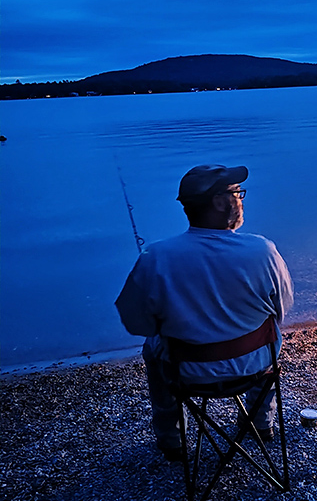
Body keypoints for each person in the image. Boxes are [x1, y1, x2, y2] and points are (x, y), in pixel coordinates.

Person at [115, 163, 293, 460]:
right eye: (237, 193)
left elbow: (135, 322)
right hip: (254, 364)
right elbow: (282, 309)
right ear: (219, 202)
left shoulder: (157, 258)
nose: (240, 199)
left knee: (153, 347)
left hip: (189, 372)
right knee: (270, 330)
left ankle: (173, 438)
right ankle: (261, 423)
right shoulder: (263, 251)